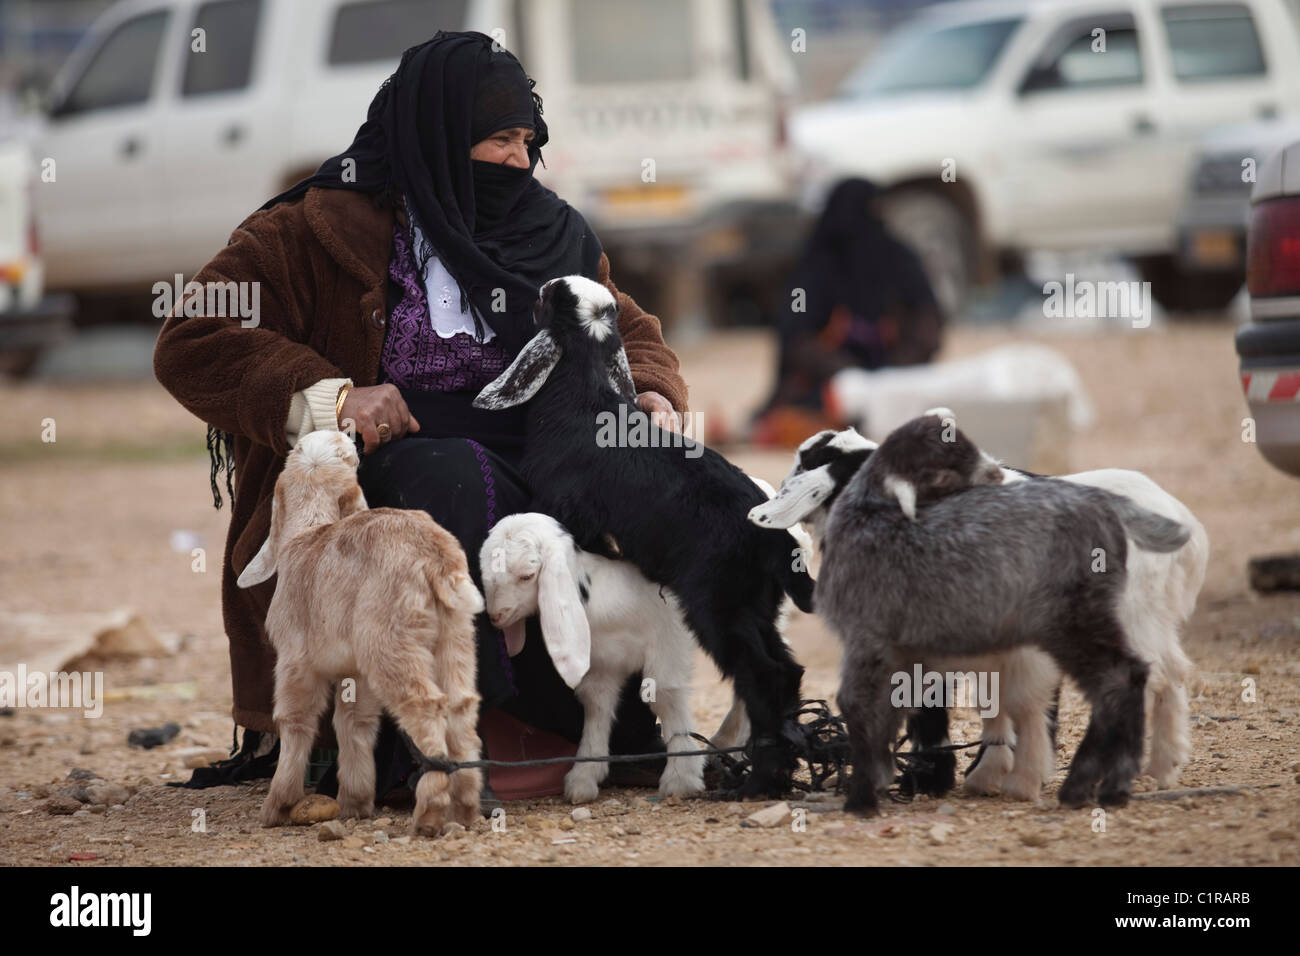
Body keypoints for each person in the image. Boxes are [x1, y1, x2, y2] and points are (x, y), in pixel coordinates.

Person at [153, 32, 689, 800]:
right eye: (498, 138)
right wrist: (331, 395)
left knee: (632, 491)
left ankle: (605, 723)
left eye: (527, 140)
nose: (517, 158)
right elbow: (191, 338)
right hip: (392, 479)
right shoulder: (312, 229)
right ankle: (457, 731)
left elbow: (627, 327)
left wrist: (657, 394)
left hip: (533, 457)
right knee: (449, 474)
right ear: (437, 132)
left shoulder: (550, 232)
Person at [751, 178, 945, 447]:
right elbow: (796, 340)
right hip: (826, 388)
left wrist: (891, 373)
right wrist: (849, 373)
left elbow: (928, 323)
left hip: (899, 383)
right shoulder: (814, 270)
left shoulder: (899, 262)